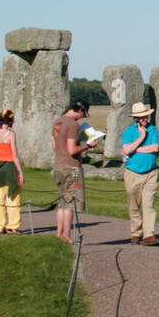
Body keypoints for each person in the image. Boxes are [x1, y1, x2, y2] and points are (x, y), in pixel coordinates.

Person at [52, 99, 96, 244]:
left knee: (62, 201)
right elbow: (72, 150)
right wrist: (87, 145)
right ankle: (67, 236)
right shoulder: (73, 125)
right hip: (71, 166)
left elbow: (54, 145)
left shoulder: (57, 122)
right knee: (70, 204)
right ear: (80, 110)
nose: (82, 117)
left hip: (58, 164)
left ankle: (59, 233)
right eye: (83, 114)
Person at [121, 101, 159, 245]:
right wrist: (141, 138)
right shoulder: (128, 132)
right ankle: (136, 233)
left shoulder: (153, 130)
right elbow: (126, 149)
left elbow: (155, 148)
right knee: (134, 205)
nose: (145, 119)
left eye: (146, 116)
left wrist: (136, 149)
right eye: (142, 117)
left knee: (148, 205)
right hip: (132, 173)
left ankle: (148, 235)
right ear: (136, 118)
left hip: (150, 173)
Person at [0, 111, 23, 233]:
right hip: (10, 166)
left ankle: (0, 225)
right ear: (11, 121)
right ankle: (13, 225)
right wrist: (20, 171)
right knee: (14, 196)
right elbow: (15, 155)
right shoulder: (10, 134)